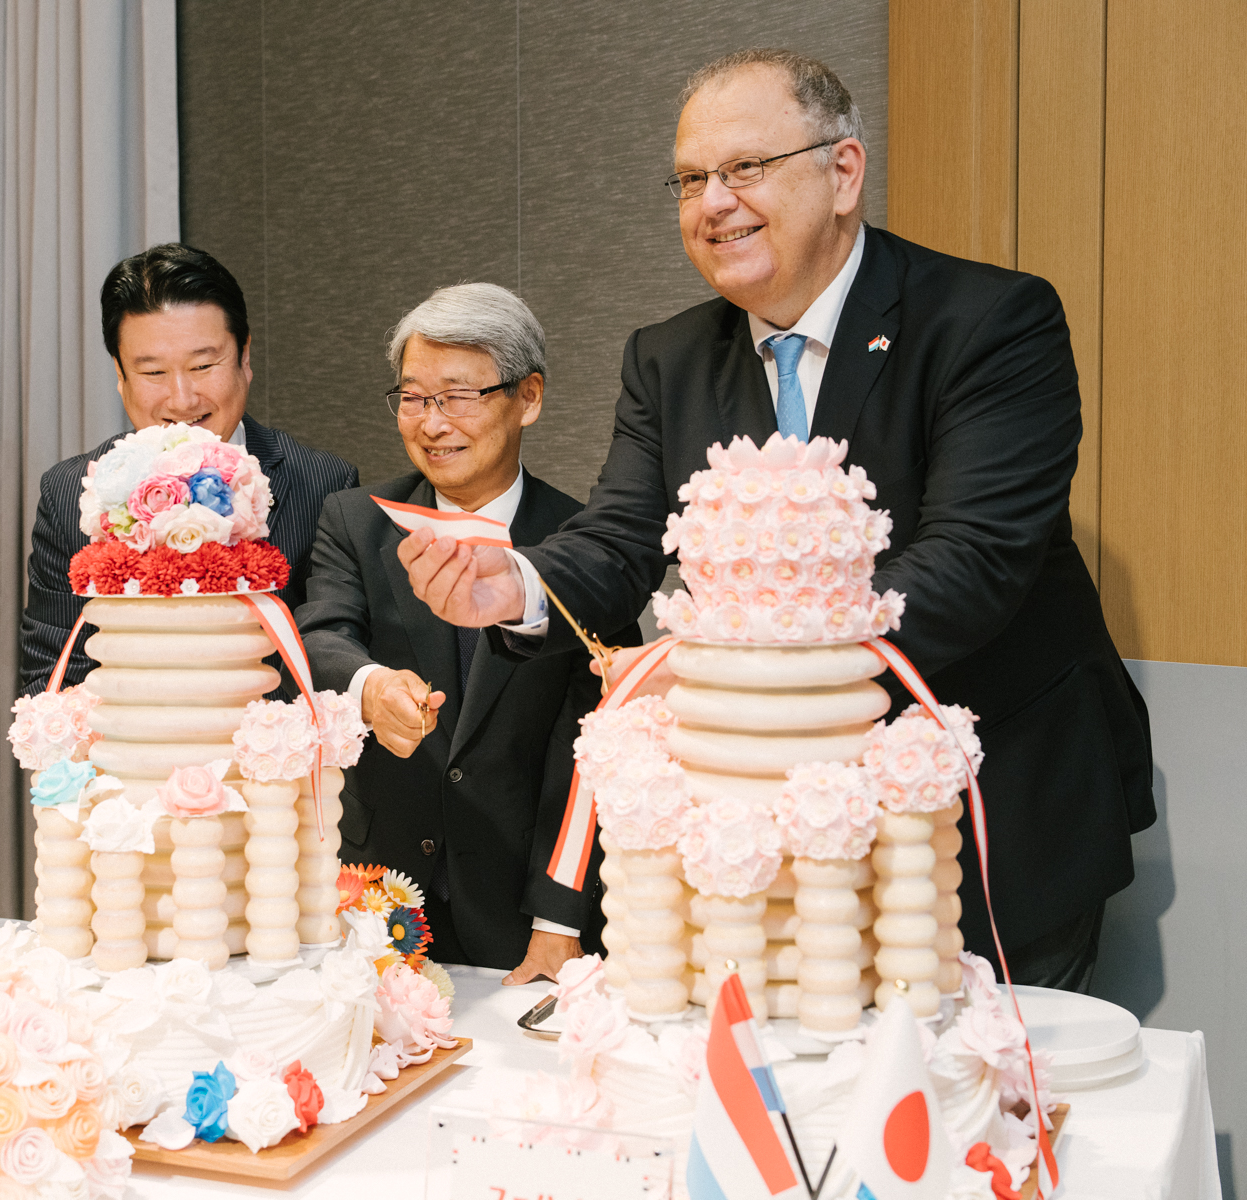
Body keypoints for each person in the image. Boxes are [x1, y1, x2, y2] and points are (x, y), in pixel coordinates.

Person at [396, 50, 1153, 992]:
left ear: (843, 172)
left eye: (745, 168)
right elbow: (621, 537)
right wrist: (517, 584)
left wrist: (736, 666)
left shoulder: (990, 320)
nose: (713, 202)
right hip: (775, 849)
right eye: (689, 180)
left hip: (985, 816)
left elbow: (974, 559)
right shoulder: (667, 358)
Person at [297, 284, 637, 983]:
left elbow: (602, 740)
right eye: (414, 397)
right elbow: (320, 638)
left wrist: (559, 918)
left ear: (529, 397)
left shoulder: (587, 547)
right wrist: (369, 687)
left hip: (531, 915)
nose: (432, 422)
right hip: (375, 901)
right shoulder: (357, 520)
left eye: (458, 395)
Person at [18, 243, 358, 692]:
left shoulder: (325, 486)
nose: (181, 400)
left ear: (245, 357)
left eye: (202, 365)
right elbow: (52, 676)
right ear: (120, 376)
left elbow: (335, 666)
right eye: (153, 373)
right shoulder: (72, 493)